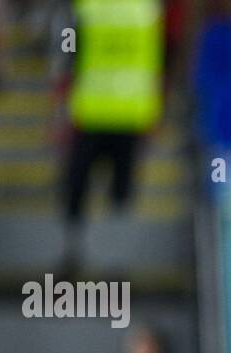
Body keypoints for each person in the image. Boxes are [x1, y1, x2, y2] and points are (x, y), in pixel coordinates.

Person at [58, 0, 164, 273]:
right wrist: (153, 109)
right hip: (130, 111)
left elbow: (70, 51)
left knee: (78, 184)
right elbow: (157, 59)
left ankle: (78, 253)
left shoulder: (88, 7)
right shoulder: (146, 8)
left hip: (92, 110)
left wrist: (62, 104)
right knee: (121, 190)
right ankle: (114, 264)